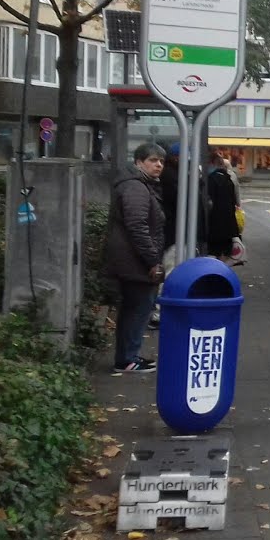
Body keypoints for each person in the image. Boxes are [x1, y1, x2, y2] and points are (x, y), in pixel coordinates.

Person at [104, 143, 167, 373]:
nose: (158, 164)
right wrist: (153, 261)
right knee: (139, 310)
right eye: (152, 160)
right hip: (135, 262)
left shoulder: (138, 185)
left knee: (133, 310)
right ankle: (128, 359)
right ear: (139, 162)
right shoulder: (136, 188)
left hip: (130, 261)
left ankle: (127, 357)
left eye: (161, 161)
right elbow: (138, 227)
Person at [204, 153, 240, 261]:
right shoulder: (229, 179)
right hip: (228, 224)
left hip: (214, 223)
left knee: (213, 251)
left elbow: (208, 202)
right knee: (224, 252)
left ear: (212, 164)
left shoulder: (210, 179)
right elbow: (234, 200)